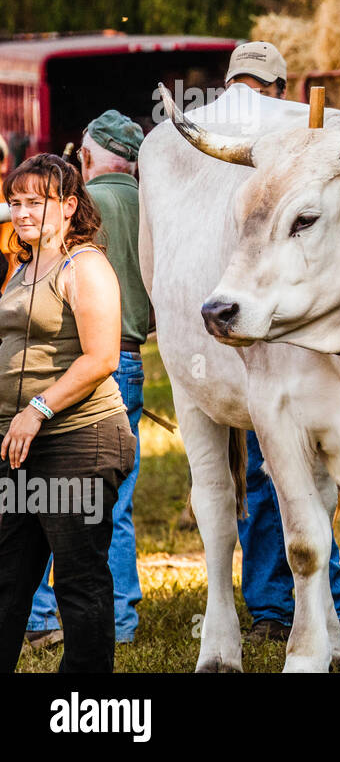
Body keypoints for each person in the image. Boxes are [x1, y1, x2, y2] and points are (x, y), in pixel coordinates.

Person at [193, 43, 340, 638]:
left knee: (296, 474)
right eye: (251, 86)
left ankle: (303, 603)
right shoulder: (276, 144)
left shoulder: (275, 145)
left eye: (258, 88)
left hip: (287, 335)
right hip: (274, 340)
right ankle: (294, 604)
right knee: (287, 472)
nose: (254, 98)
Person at [0, 155, 136, 671]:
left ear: (70, 205)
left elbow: (101, 357)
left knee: (79, 579)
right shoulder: (23, 266)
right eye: (16, 202)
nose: (22, 212)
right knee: (8, 575)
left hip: (79, 438)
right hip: (19, 445)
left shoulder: (86, 265)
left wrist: (36, 408)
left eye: (36, 202)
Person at [24, 111, 153, 651]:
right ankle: (121, 618)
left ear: (91, 155)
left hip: (75, 364)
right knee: (112, 501)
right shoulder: (155, 205)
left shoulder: (79, 209)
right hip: (130, 359)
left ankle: (41, 617)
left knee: (44, 492)